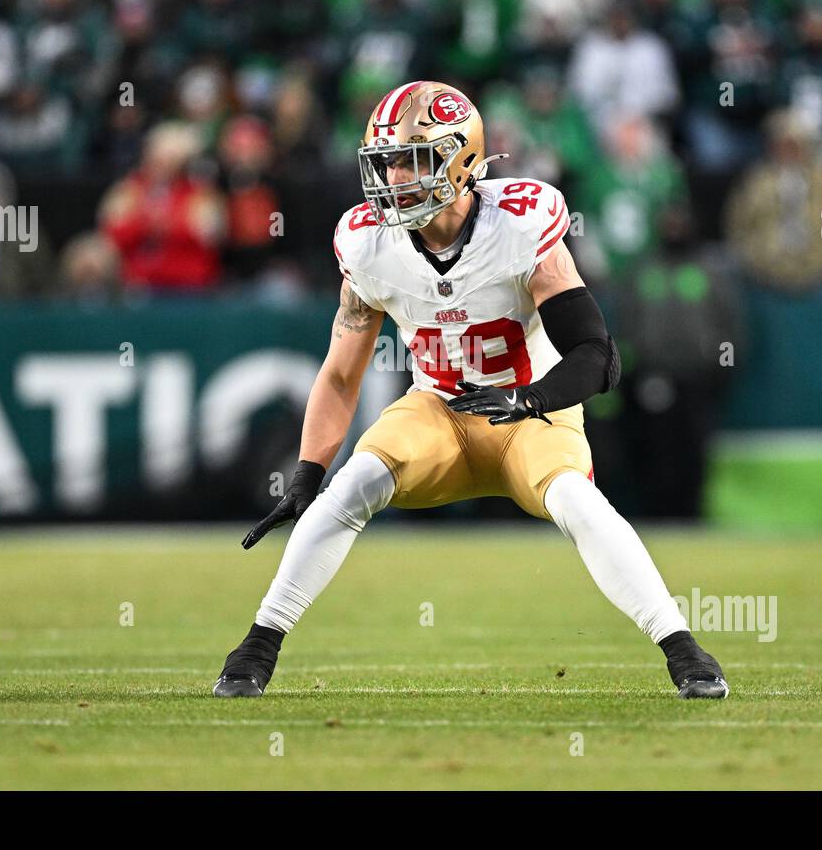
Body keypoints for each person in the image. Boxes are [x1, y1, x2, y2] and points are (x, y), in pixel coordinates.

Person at [214, 81, 728, 700]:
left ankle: (683, 649)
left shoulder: (518, 223)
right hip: (440, 412)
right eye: (386, 162)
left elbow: (599, 356)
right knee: (351, 483)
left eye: (411, 160)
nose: (394, 177)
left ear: (460, 160)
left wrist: (531, 400)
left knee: (578, 500)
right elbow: (341, 372)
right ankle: (257, 647)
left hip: (531, 412)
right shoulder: (367, 241)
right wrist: (307, 470)